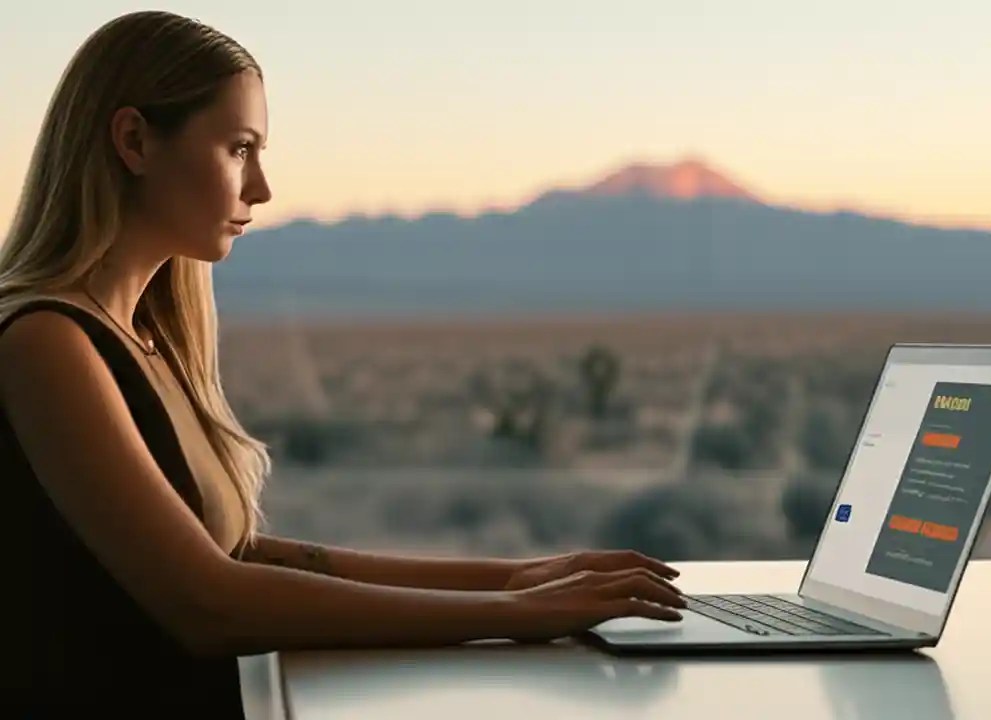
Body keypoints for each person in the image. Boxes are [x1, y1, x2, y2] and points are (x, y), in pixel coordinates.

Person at [0, 10, 686, 714]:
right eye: (239, 149)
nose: (260, 189)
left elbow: (239, 555)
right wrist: (521, 616)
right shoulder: (48, 342)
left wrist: (519, 578)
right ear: (135, 140)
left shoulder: (140, 338)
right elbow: (210, 603)